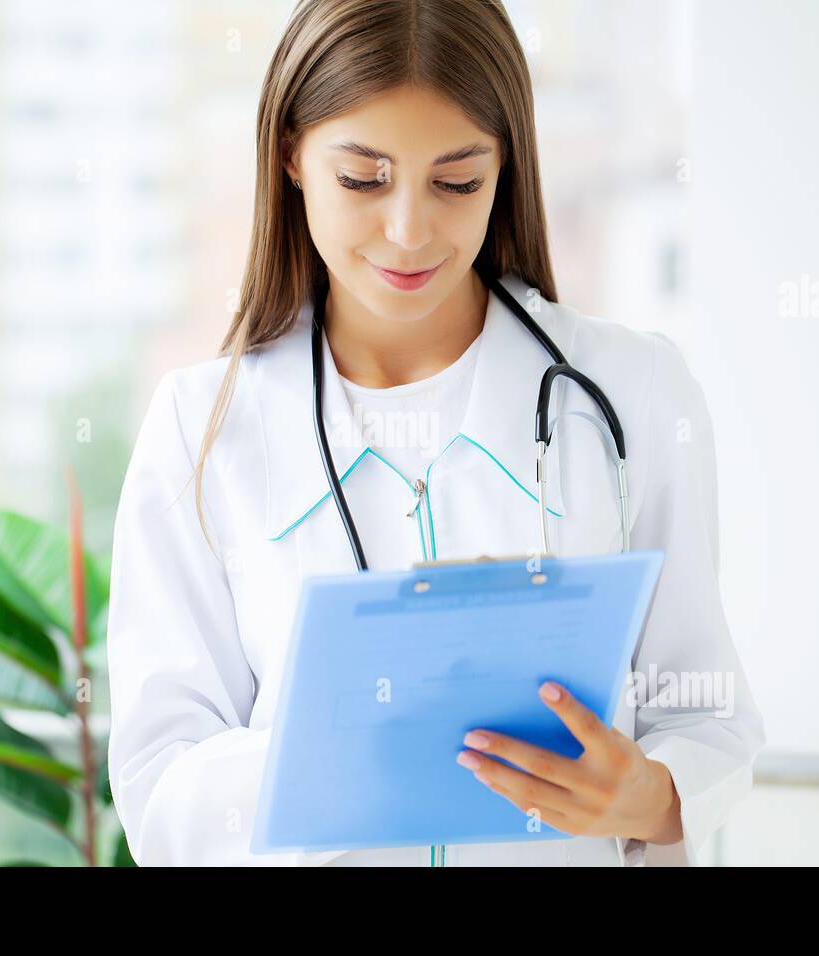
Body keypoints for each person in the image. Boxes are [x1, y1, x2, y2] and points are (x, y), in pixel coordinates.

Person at [106, 0, 764, 867]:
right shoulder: (204, 427)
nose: (410, 231)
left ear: (507, 169)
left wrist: (651, 794)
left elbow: (706, 714)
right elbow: (161, 793)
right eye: (363, 179)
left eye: (458, 182)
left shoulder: (632, 393)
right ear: (292, 156)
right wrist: (358, 728)